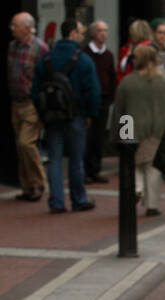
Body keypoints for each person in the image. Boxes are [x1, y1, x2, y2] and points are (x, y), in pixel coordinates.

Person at [31, 18, 100, 214]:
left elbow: (35, 90)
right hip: (76, 115)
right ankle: (78, 199)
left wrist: (42, 112)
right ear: (72, 34)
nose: (82, 35)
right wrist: (90, 114)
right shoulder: (84, 59)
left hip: (52, 116)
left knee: (54, 159)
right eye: (80, 31)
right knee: (76, 160)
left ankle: (57, 201)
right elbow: (92, 91)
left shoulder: (46, 58)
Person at [111, 45, 165, 217]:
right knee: (153, 168)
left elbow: (120, 110)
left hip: (130, 127)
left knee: (133, 163)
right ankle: (152, 203)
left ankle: (136, 188)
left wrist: (118, 134)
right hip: (158, 129)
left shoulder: (128, 82)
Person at [8, 11, 48, 202]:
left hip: (31, 102)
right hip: (16, 102)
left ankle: (39, 182)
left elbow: (46, 75)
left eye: (15, 25)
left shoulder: (40, 48)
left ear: (26, 27)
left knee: (26, 142)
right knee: (19, 145)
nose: (12, 29)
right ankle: (27, 186)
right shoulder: (12, 47)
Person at [83, 19, 115, 184]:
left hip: (103, 100)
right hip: (89, 100)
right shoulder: (85, 53)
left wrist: (111, 97)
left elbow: (111, 76)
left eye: (106, 30)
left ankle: (95, 169)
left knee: (99, 136)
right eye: (100, 30)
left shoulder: (108, 55)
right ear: (93, 33)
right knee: (88, 135)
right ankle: (85, 170)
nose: (104, 33)